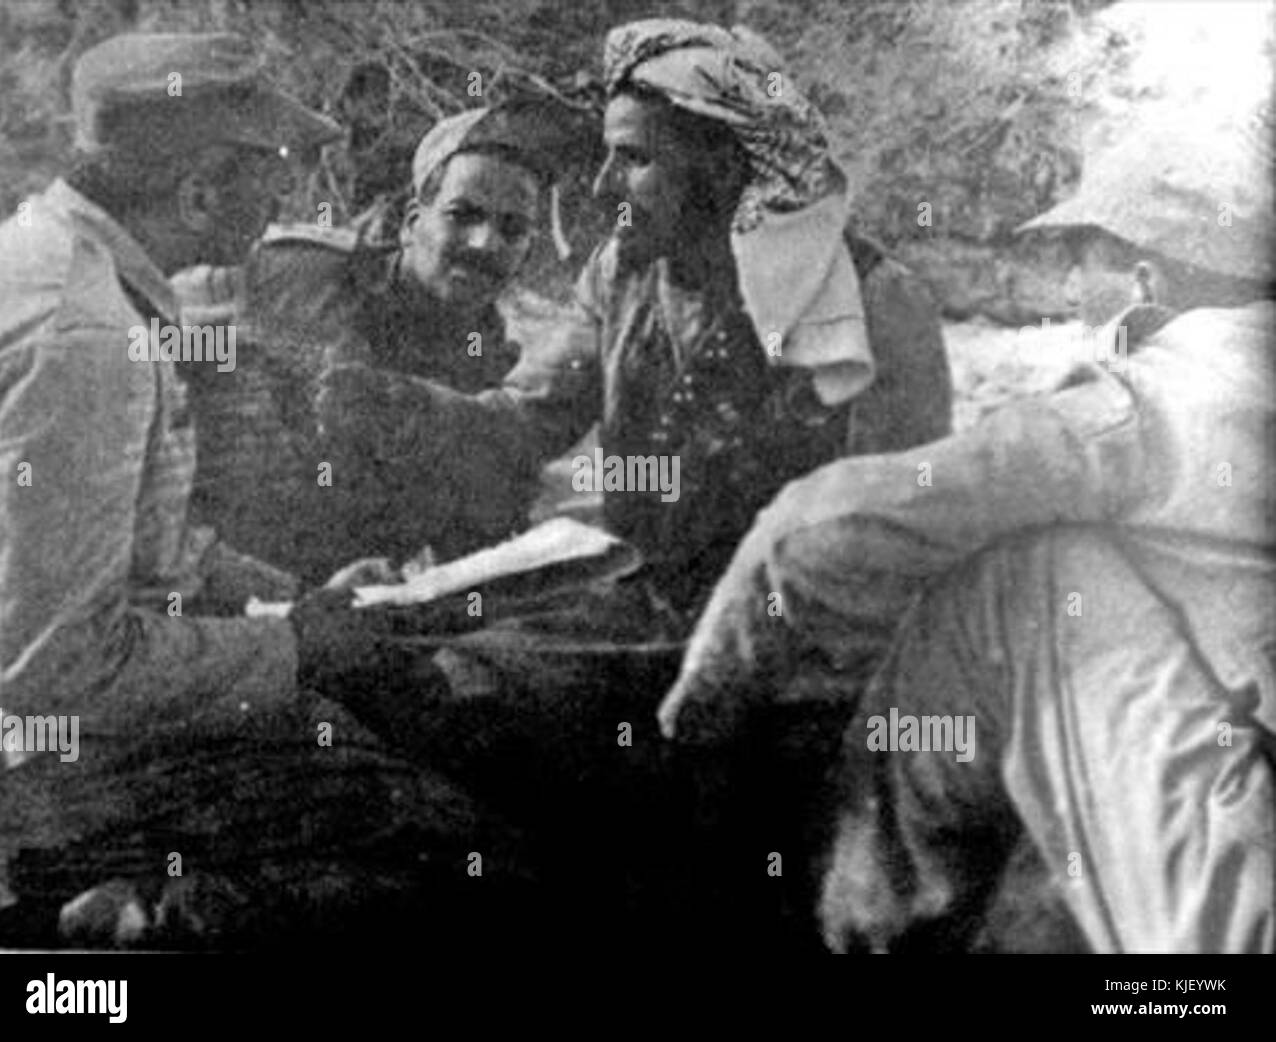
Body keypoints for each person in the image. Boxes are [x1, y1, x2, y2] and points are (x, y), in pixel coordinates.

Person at [332, 18, 951, 948]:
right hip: (639, 613)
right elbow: (520, 423)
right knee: (393, 674)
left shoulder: (869, 301)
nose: (599, 187)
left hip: (788, 666)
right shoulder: (623, 269)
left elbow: (898, 546)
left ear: (724, 163)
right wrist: (358, 401)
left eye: (633, 161)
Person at [657, 111, 1274, 952]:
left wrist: (710, 699)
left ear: (1143, 280)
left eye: (1079, 254)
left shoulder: (1158, 401)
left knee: (1033, 575)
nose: (1063, 282)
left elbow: (836, 522)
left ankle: (867, 927)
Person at [0, 33, 521, 948]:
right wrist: (292, 648)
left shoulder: (56, 263)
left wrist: (290, 598)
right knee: (467, 861)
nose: (287, 198)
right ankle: (112, 926)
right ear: (197, 191)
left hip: (44, 733)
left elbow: (150, 549)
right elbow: (47, 674)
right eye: (271, 171)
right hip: (25, 767)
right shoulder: (86, 342)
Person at [175, 101, 574, 583]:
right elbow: (150, 362)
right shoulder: (291, 273)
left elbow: (476, 545)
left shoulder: (500, 379)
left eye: (512, 229)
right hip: (197, 573)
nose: (484, 243)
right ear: (411, 223)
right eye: (462, 215)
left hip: (339, 612)